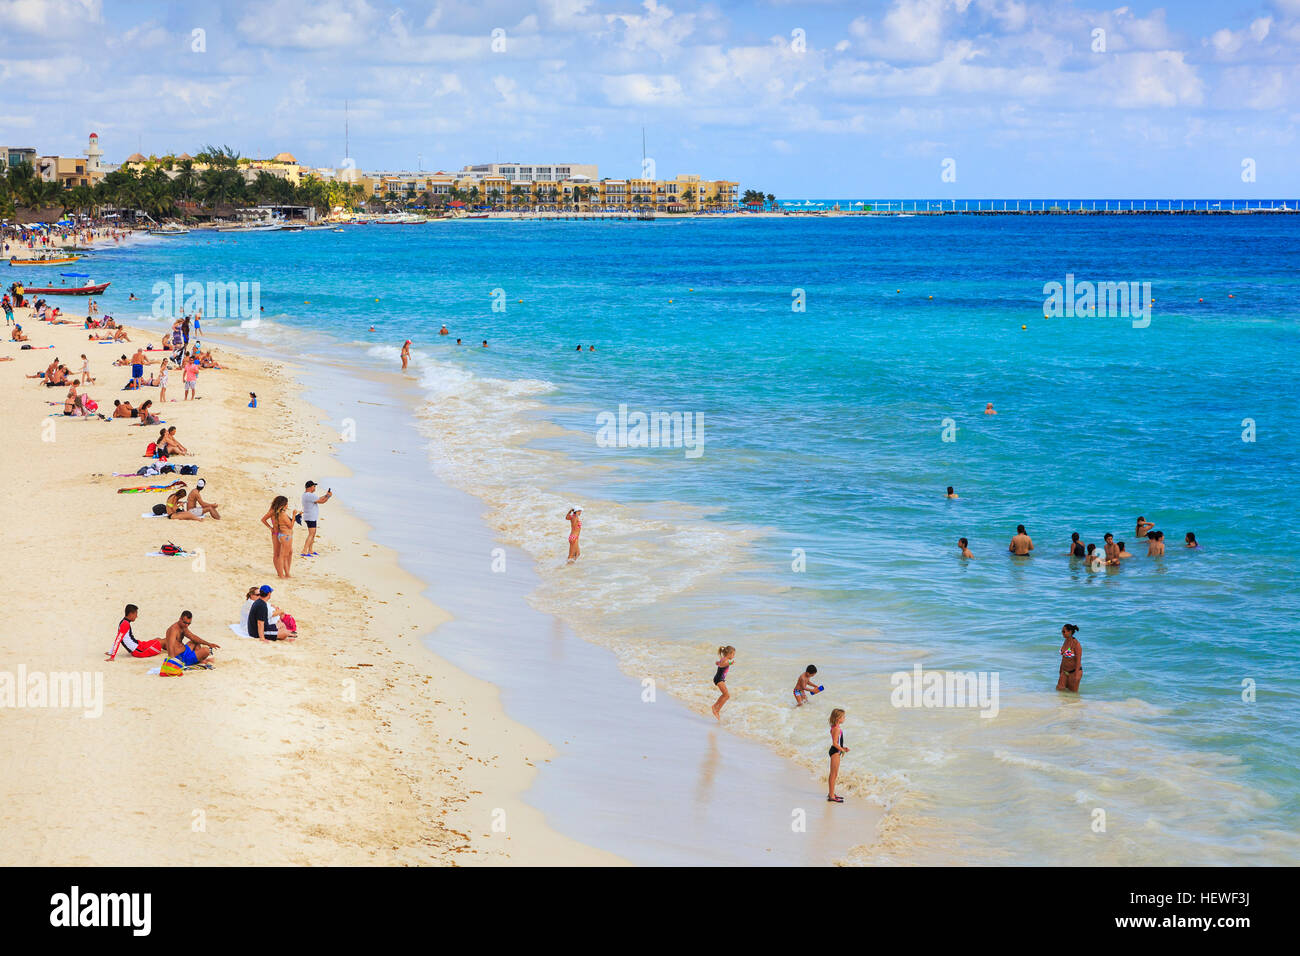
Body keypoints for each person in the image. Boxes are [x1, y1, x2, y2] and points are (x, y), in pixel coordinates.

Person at [261, 495, 300, 578]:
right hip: (276, 533)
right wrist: (270, 528)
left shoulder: (281, 512)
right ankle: (280, 573)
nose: (287, 505)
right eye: (286, 503)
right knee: (277, 553)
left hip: (281, 533)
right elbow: (263, 519)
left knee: (289, 552)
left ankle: (286, 572)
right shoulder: (273, 511)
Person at [299, 481, 332, 557]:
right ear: (310, 487)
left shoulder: (306, 495)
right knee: (311, 534)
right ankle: (304, 550)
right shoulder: (309, 495)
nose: (315, 488)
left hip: (310, 517)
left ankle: (310, 550)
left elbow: (319, 498)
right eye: (314, 486)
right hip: (310, 517)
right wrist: (328, 496)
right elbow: (322, 501)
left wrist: (326, 495)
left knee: (313, 534)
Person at [827, 708, 849, 803]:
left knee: (834, 774)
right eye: (843, 717)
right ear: (838, 718)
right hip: (835, 752)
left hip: (837, 751)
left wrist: (843, 748)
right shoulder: (836, 729)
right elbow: (835, 743)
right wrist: (842, 750)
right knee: (833, 774)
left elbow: (838, 743)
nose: (844, 718)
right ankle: (831, 795)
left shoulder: (835, 727)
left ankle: (831, 793)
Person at [711, 645, 735, 720]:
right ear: (729, 654)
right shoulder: (725, 660)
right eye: (733, 654)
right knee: (727, 695)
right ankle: (716, 709)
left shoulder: (723, 659)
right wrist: (730, 663)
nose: (733, 656)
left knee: (725, 695)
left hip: (719, 679)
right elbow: (723, 664)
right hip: (719, 679)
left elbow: (718, 663)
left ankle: (715, 706)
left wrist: (718, 663)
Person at [1056, 624, 1082, 692]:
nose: (1062, 633)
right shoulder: (1066, 641)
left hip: (1074, 672)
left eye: (1064, 631)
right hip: (1064, 672)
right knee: (1059, 690)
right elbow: (1064, 657)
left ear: (1070, 632)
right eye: (1062, 631)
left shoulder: (1076, 644)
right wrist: (1060, 670)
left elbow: (1078, 661)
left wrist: (1076, 676)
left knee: (1073, 695)